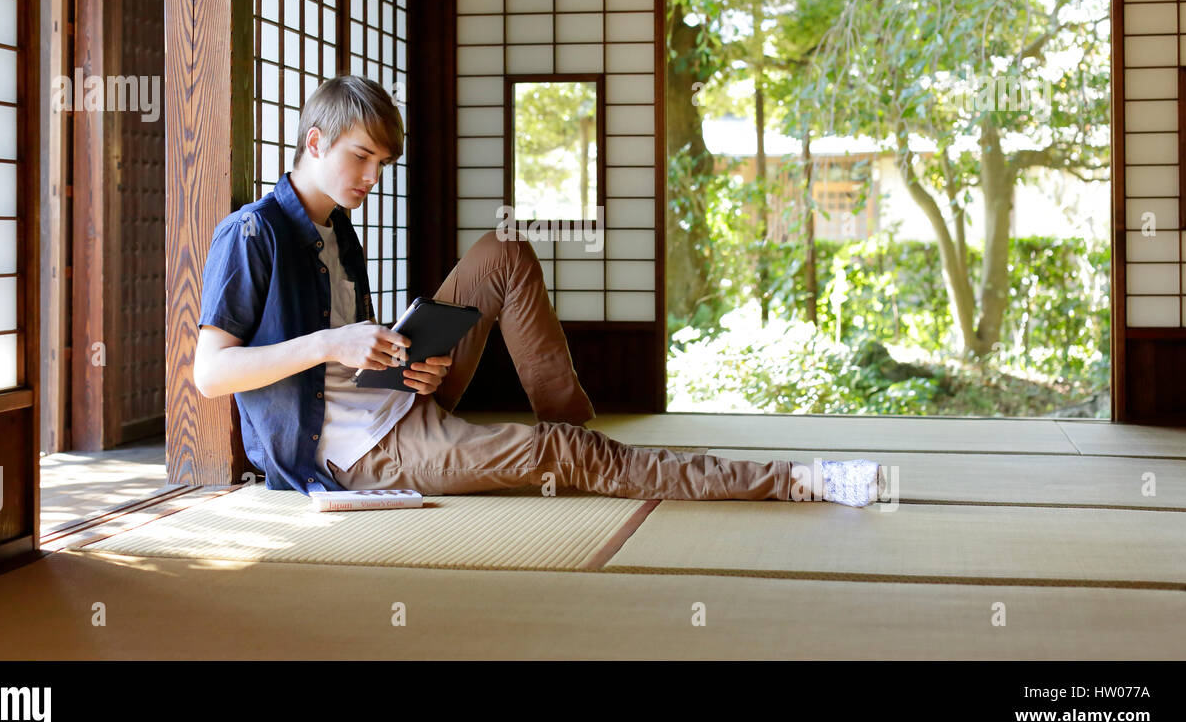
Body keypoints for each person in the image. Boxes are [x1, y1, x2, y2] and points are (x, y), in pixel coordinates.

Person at [194, 75, 886, 507]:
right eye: (362, 157)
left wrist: (407, 360)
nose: (373, 176)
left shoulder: (337, 232)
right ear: (315, 142)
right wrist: (332, 343)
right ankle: (797, 479)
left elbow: (354, 360)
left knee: (503, 251)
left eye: (383, 163)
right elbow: (210, 373)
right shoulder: (249, 235)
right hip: (358, 453)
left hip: (393, 397)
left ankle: (574, 433)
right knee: (564, 458)